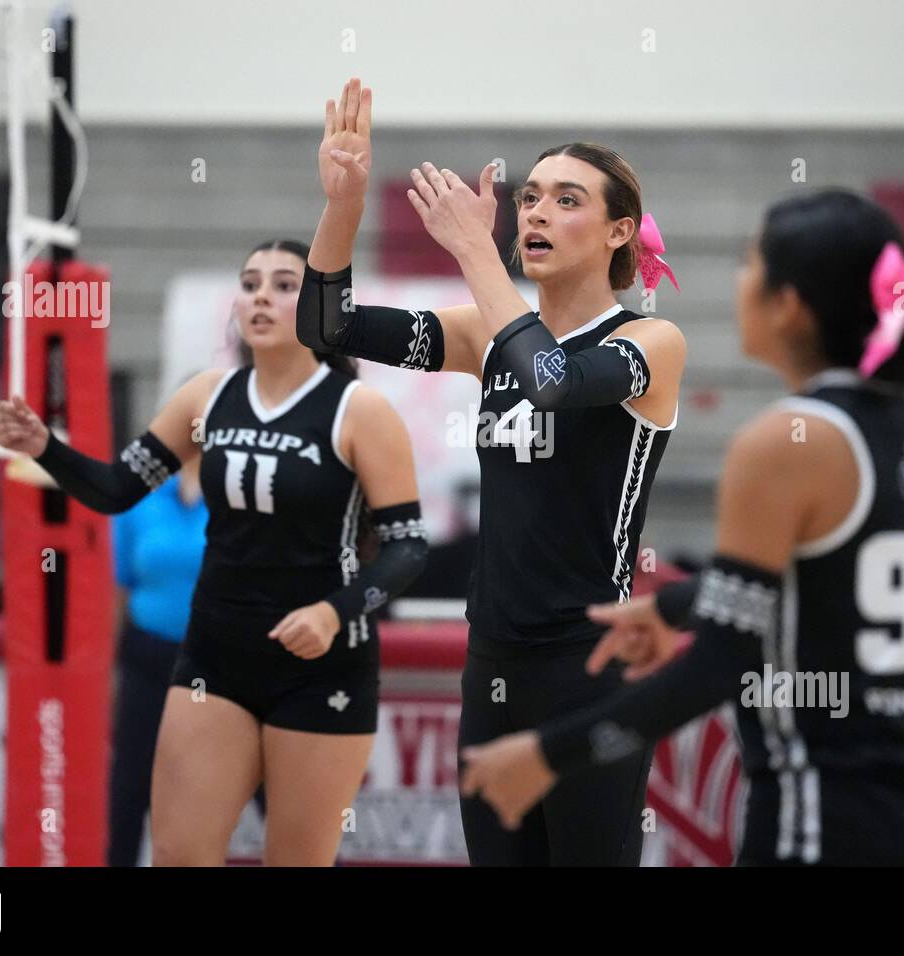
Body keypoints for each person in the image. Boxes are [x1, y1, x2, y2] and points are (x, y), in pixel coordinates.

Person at [461, 189, 904, 867]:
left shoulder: (785, 442)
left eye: (750, 263)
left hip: (819, 819)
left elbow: (720, 662)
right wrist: (674, 605)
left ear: (788, 303)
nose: (739, 280)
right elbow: (814, 585)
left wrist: (550, 753)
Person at [297, 78, 687, 865]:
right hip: (494, 666)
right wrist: (343, 206)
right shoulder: (486, 335)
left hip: (590, 666)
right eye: (531, 196)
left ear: (620, 231)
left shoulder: (652, 342)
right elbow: (325, 324)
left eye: (566, 200)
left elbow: (554, 379)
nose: (536, 212)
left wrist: (475, 250)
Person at [0, 237, 427, 866]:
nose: (261, 297)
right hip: (214, 656)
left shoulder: (360, 410)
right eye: (250, 284)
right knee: (178, 855)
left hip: (321, 663)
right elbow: (117, 489)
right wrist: (44, 447)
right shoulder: (207, 396)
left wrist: (336, 612)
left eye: (283, 284)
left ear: (321, 307)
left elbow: (408, 548)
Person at [107, 457, 207, 866]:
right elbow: (117, 590)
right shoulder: (139, 500)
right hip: (147, 656)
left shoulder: (241, 496)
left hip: (222, 661)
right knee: (129, 786)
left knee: (266, 781)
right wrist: (108, 671)